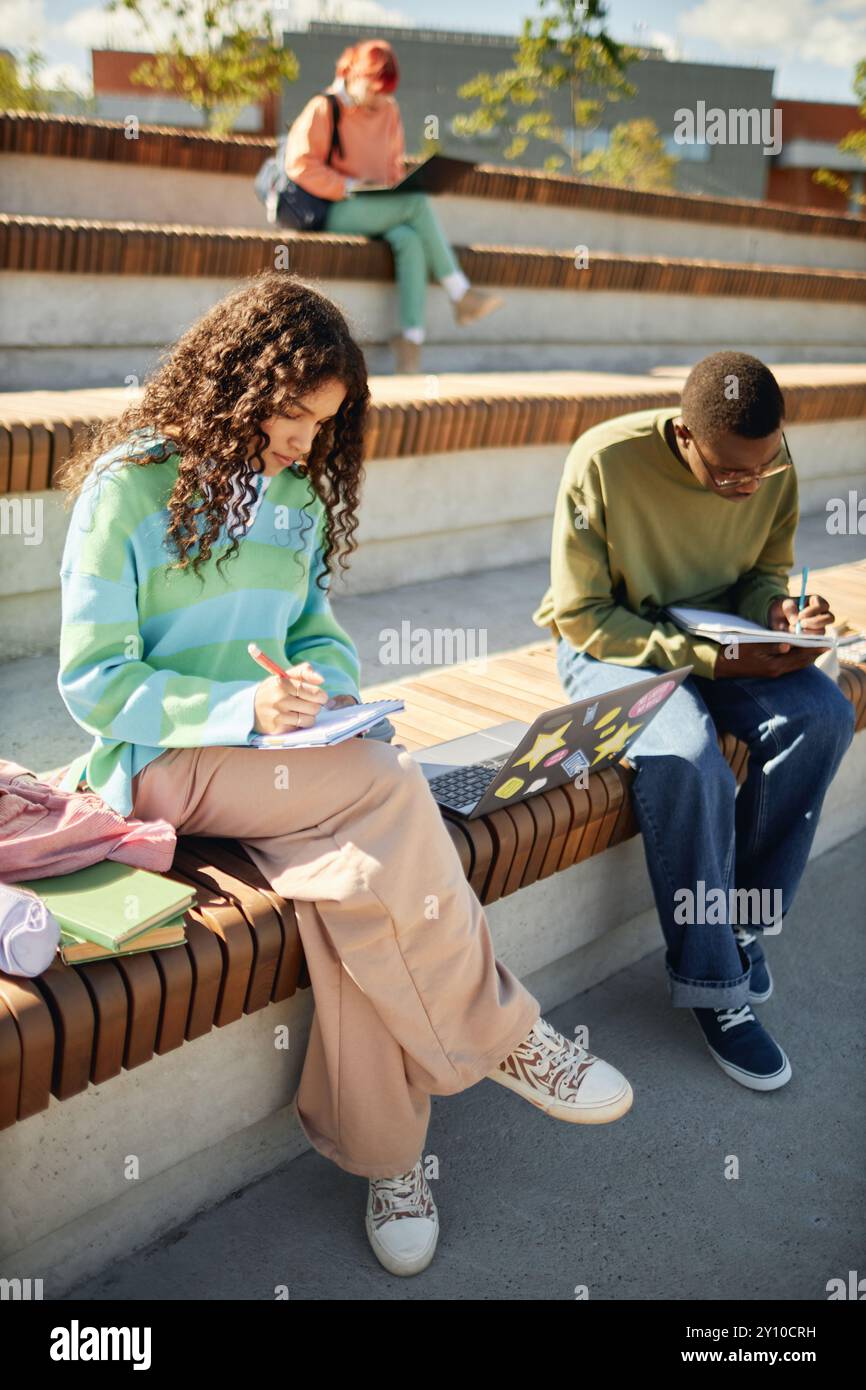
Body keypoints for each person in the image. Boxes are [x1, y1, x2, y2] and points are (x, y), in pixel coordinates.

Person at [54, 272, 632, 1279]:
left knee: (354, 891)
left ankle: (391, 1159)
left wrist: (324, 688)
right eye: (288, 416)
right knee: (386, 788)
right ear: (230, 383)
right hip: (160, 766)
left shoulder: (293, 503)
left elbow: (314, 633)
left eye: (320, 425)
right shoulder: (128, 487)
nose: (301, 443)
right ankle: (503, 1031)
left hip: (283, 770)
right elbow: (95, 684)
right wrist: (239, 711)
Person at [533, 351, 855, 1093]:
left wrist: (778, 615)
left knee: (824, 715)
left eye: (762, 470)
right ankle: (715, 988)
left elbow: (763, 573)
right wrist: (710, 664)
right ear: (684, 435)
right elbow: (583, 617)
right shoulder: (605, 461)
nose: (748, 485)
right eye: (729, 474)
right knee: (685, 754)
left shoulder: (771, 460)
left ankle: (741, 921)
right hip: (615, 649)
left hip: (719, 634)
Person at [282, 38, 504, 373]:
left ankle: (410, 343)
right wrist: (350, 186)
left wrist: (393, 186)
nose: (380, 100)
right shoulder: (324, 108)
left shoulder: (389, 110)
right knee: (415, 204)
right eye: (374, 90)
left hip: (376, 203)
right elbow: (299, 165)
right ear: (354, 75)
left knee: (410, 239)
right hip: (333, 206)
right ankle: (460, 293)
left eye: (386, 93)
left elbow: (392, 165)